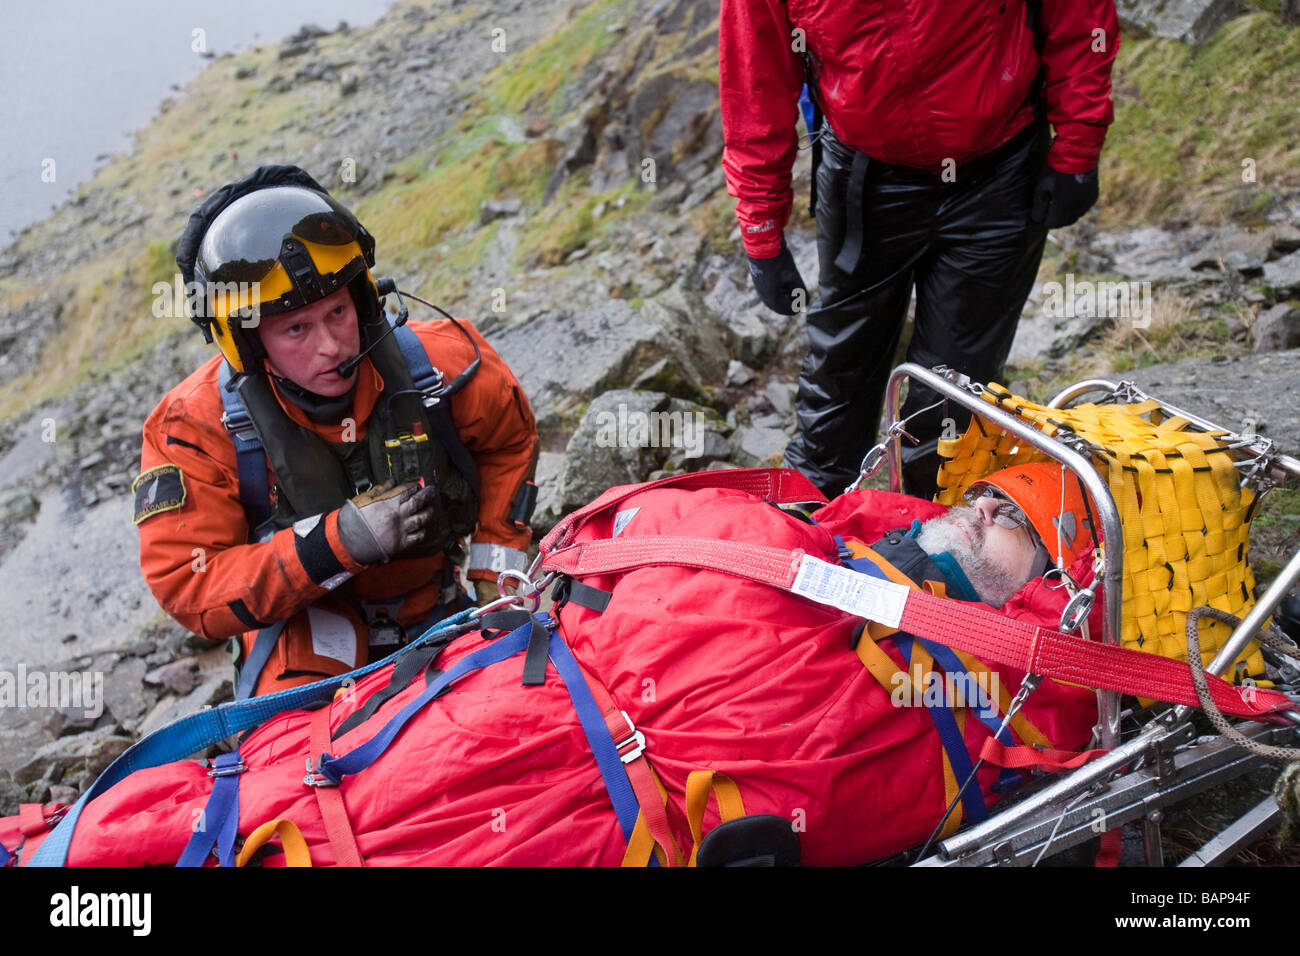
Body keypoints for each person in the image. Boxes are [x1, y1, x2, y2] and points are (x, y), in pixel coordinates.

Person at [61, 462, 1101, 867]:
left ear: (1048, 582)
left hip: (594, 782)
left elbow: (850, 779)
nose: (982, 520)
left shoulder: (990, 680)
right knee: (273, 787)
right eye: (983, 500)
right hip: (522, 677)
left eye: (1011, 527)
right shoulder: (786, 539)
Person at [132, 166, 539, 699]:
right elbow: (190, 581)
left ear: (364, 300)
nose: (330, 346)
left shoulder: (442, 367)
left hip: (440, 598)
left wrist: (495, 572)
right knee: (306, 760)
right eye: (295, 328)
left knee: (527, 696)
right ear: (248, 343)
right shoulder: (192, 428)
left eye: (337, 312)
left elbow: (509, 442)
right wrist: (333, 545)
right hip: (308, 629)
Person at [719, 0, 1120, 499]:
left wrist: (1078, 145)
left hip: (999, 167)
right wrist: (760, 225)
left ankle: (931, 529)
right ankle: (810, 516)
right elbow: (756, 75)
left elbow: (1076, 16)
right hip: (864, 179)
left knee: (957, 386)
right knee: (842, 367)